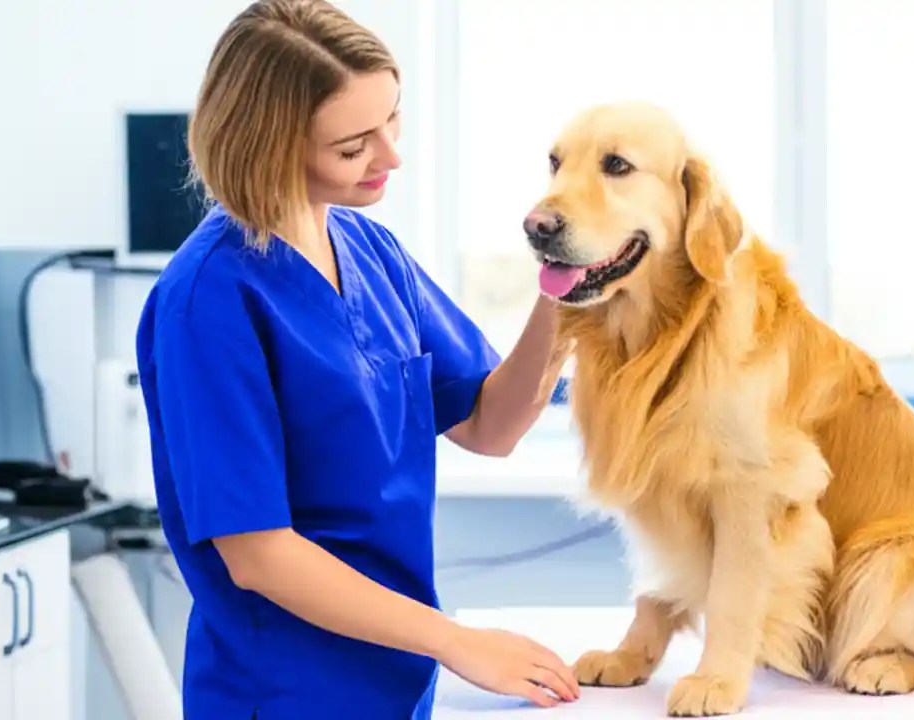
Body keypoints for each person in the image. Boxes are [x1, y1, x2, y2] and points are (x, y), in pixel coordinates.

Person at [133, 1, 579, 717]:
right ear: (269, 147)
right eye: (353, 146)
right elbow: (258, 556)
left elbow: (491, 427)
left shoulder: (372, 253)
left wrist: (565, 291)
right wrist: (456, 642)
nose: (391, 157)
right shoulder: (207, 300)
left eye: (392, 120)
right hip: (283, 692)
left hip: (395, 682)